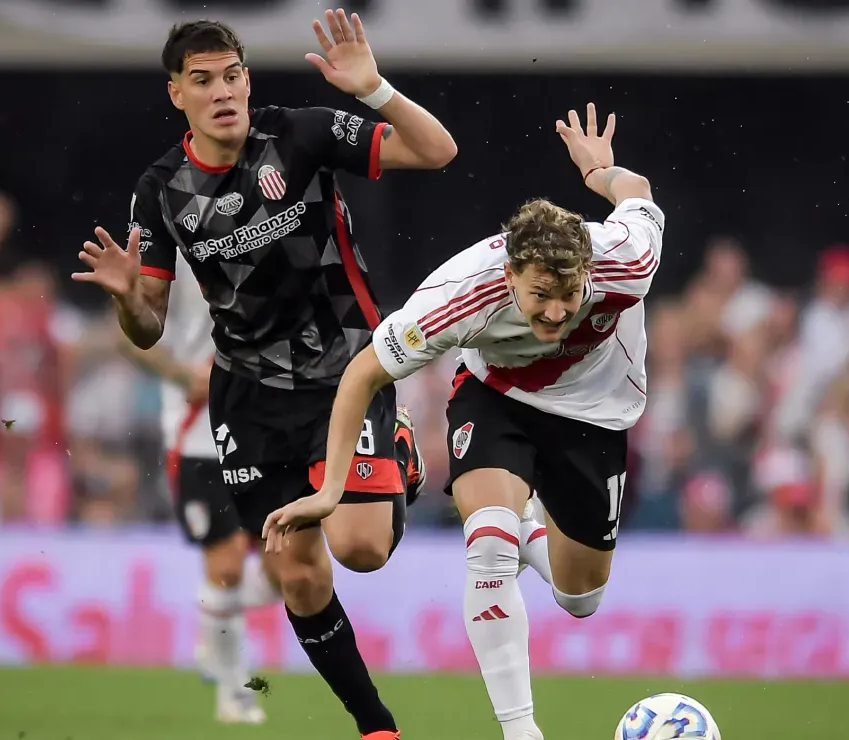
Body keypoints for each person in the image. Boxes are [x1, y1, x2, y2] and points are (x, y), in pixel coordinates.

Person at [71, 11, 455, 740]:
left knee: (362, 550)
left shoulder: (301, 134)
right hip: (248, 394)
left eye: (232, 76)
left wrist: (374, 89)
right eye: (203, 81)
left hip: (346, 372)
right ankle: (377, 727)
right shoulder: (160, 189)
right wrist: (125, 299)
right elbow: (148, 325)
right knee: (298, 574)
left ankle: (395, 447)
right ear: (176, 94)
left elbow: (437, 151)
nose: (222, 92)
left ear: (247, 80)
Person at [263, 103, 663, 740]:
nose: (555, 311)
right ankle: (520, 729)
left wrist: (601, 174)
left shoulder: (627, 260)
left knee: (579, 597)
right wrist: (332, 489)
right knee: (487, 548)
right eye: (539, 295)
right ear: (510, 275)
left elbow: (636, 193)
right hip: (495, 397)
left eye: (570, 294)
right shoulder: (461, 292)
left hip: (595, 416)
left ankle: (531, 532)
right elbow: (362, 374)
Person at [118, 247, 280, 724]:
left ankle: (213, 622)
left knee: (287, 571)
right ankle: (234, 694)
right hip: (198, 431)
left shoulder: (276, 228)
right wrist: (181, 374)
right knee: (226, 562)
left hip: (267, 427)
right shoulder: (166, 236)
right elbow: (125, 336)